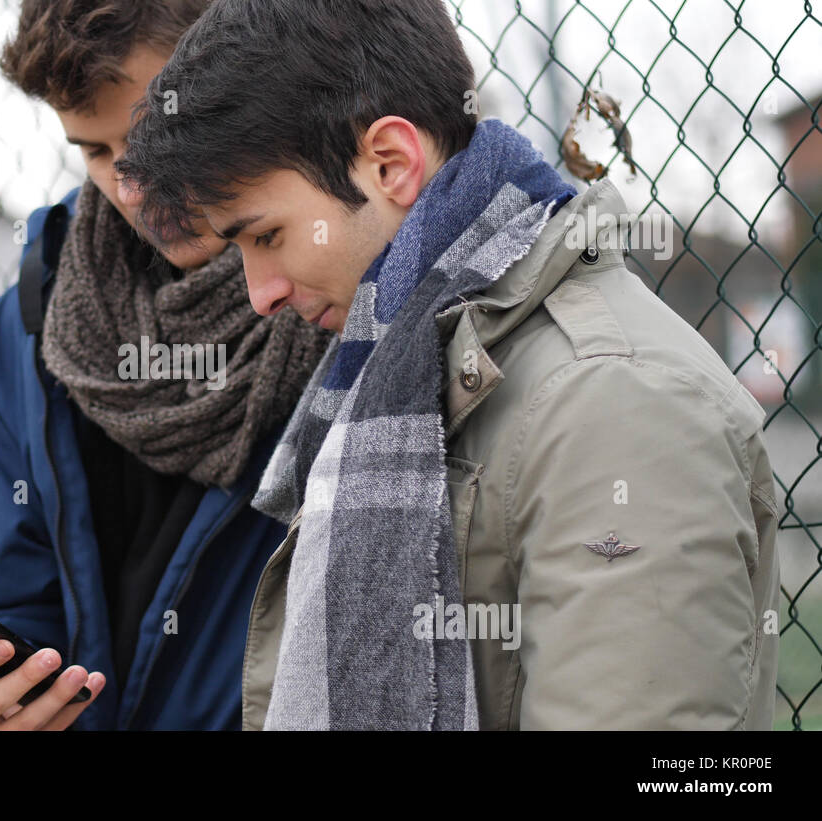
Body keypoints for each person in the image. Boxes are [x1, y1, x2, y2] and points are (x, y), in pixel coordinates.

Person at [116, 0, 780, 730]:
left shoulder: (616, 400)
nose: (260, 294)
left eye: (267, 236)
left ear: (389, 163)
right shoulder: (393, 373)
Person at [0, 0, 331, 731]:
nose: (133, 189)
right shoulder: (13, 342)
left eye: (153, 134)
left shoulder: (343, 291)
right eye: (96, 152)